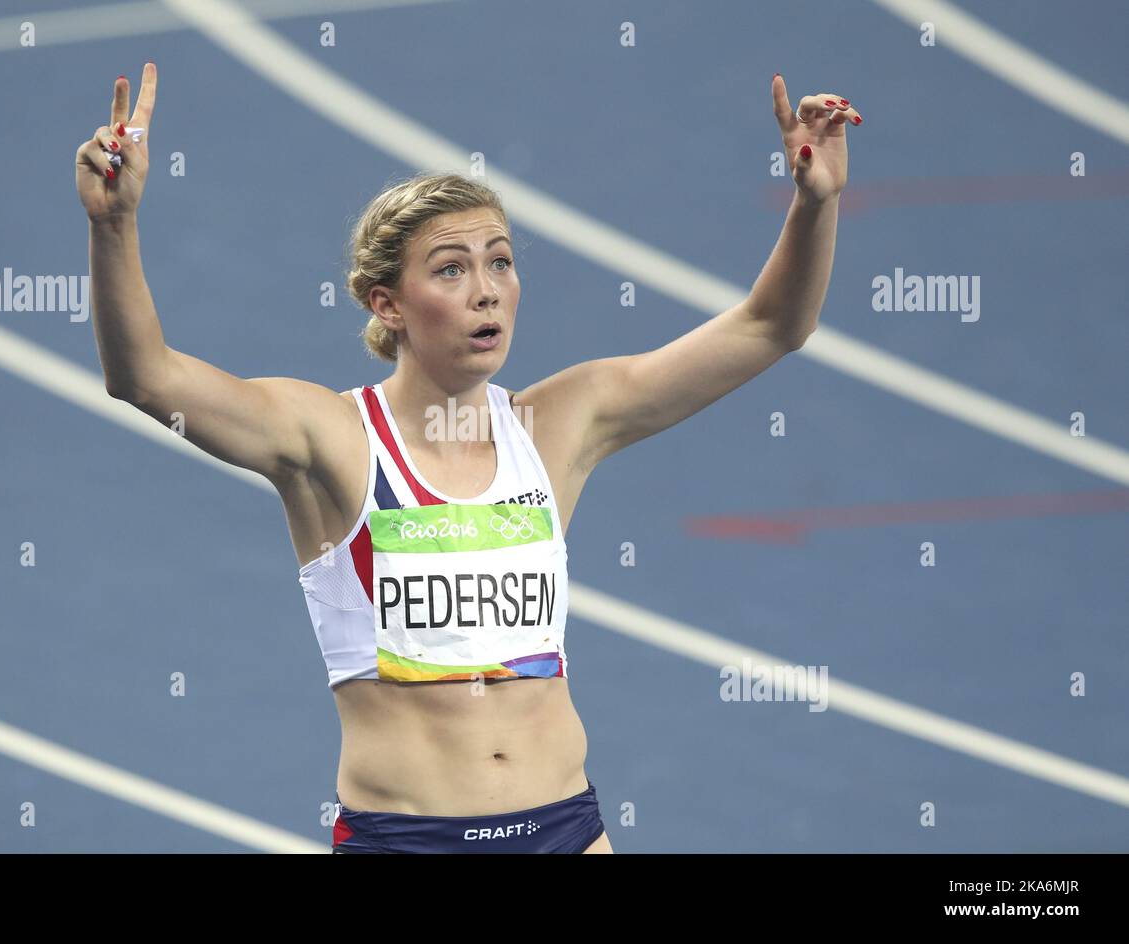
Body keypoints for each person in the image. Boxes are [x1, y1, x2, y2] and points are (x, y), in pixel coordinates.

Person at [76, 63, 863, 854]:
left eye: (500, 261)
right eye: (451, 269)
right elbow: (143, 376)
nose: (486, 289)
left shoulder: (558, 424)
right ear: (387, 303)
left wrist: (815, 202)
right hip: (406, 839)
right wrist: (114, 228)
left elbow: (771, 328)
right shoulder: (330, 439)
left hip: (564, 830)